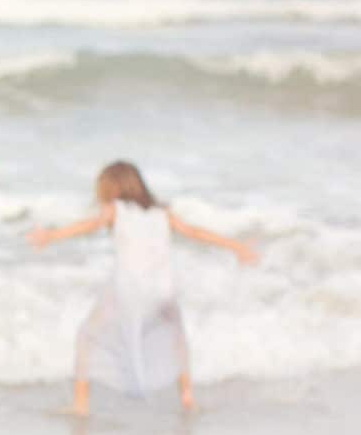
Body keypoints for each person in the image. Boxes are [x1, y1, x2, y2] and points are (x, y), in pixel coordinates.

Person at [28, 161, 258, 416]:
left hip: (129, 288)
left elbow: (89, 226)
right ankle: (188, 399)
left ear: (110, 188)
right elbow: (194, 232)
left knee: (87, 335)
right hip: (163, 290)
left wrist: (51, 236)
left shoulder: (115, 209)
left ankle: (80, 405)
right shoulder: (163, 213)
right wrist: (236, 246)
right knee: (177, 341)